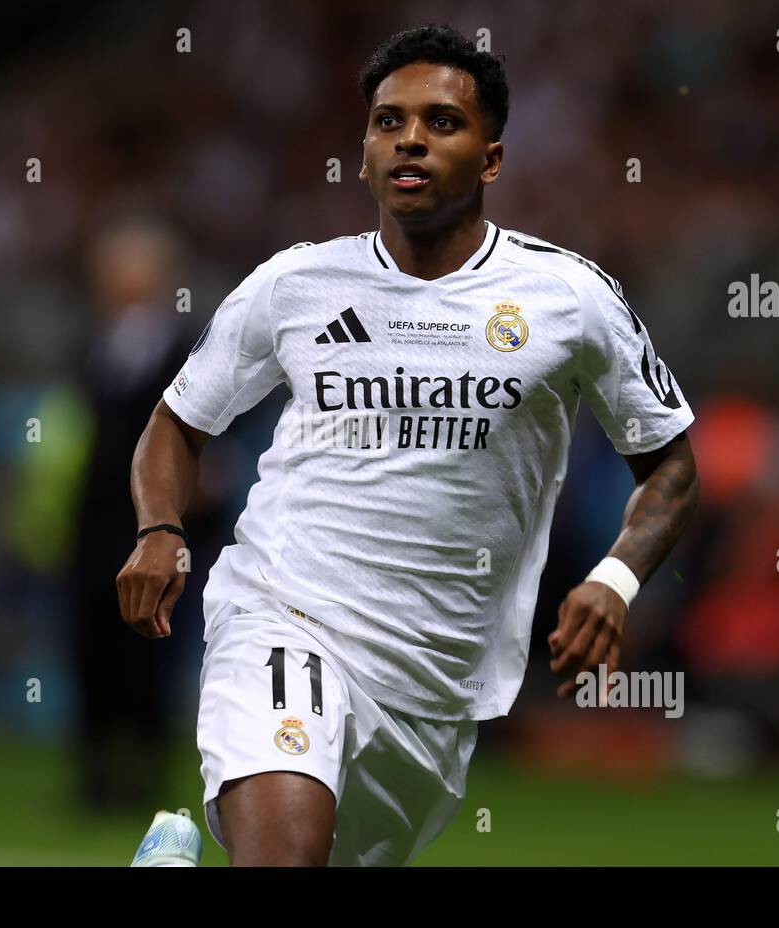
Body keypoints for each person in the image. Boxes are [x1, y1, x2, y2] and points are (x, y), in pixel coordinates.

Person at [118, 24, 700, 867]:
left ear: (492, 159)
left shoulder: (568, 299)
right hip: (285, 613)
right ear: (363, 153)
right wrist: (160, 530)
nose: (411, 139)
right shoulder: (296, 284)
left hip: (435, 679)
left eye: (441, 122)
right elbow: (178, 419)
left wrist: (614, 578)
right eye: (389, 122)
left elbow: (671, 461)